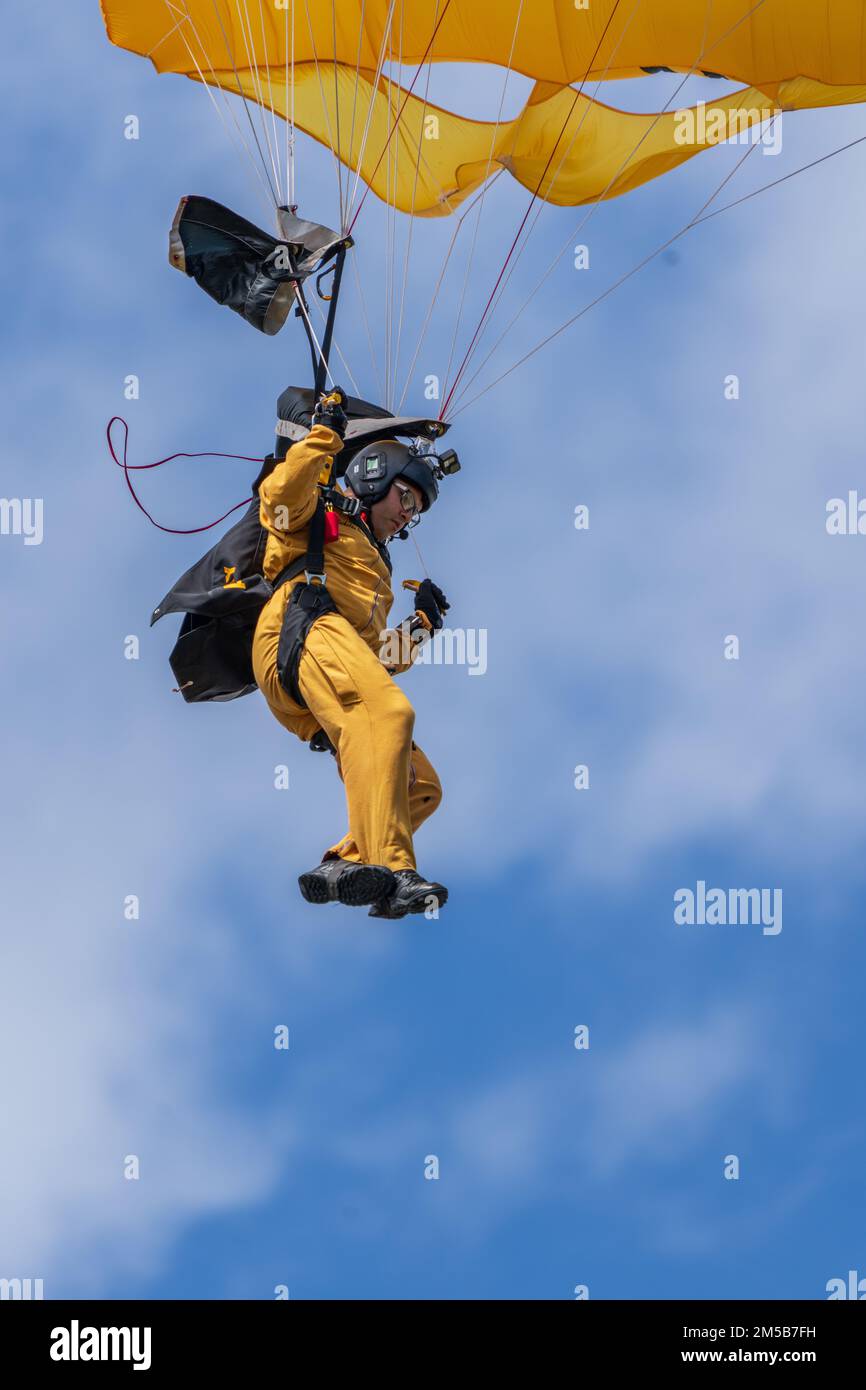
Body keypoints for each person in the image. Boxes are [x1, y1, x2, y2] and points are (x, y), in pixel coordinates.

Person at [251, 388, 450, 919]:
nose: (407, 517)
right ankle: (396, 869)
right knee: (389, 713)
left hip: (327, 662)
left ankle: (346, 864)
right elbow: (279, 496)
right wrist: (324, 435)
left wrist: (421, 626)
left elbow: (371, 658)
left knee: (422, 785)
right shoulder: (317, 511)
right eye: (406, 498)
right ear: (375, 475)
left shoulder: (372, 566)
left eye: (417, 512)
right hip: (298, 629)